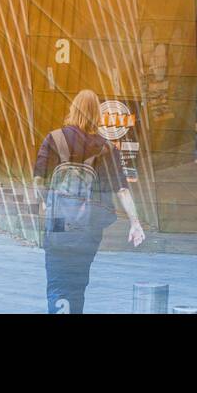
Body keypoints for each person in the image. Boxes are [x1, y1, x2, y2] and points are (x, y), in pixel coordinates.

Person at [33, 89, 145, 314]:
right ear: (96, 115)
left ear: (72, 110)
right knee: (77, 284)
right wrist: (135, 223)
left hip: (58, 224)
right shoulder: (106, 148)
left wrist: (48, 202)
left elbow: (37, 180)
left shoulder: (54, 138)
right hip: (89, 227)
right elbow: (122, 189)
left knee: (57, 281)